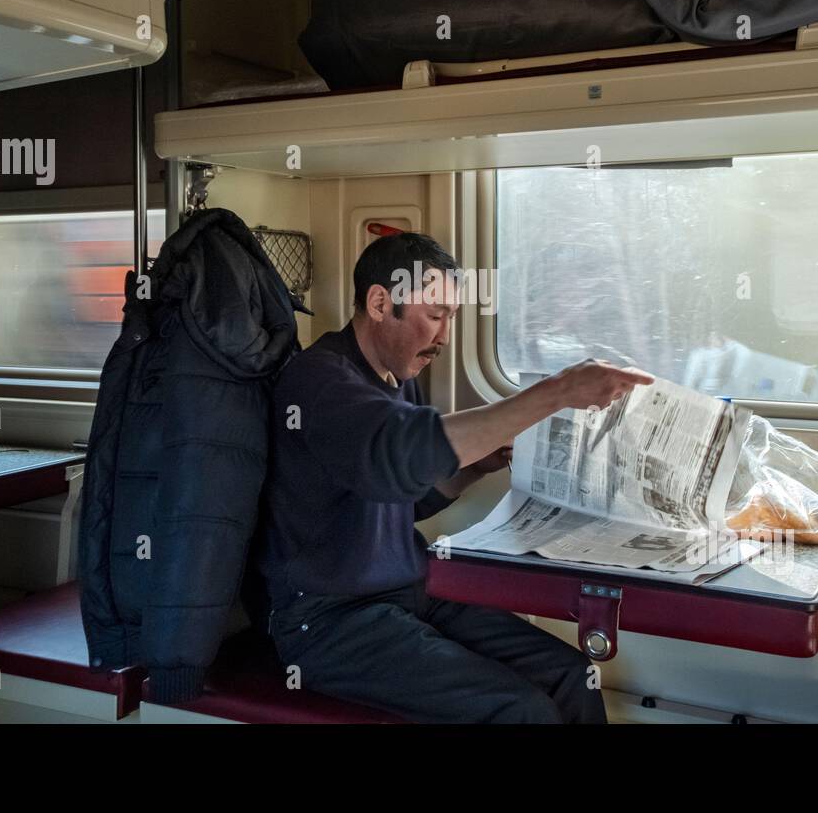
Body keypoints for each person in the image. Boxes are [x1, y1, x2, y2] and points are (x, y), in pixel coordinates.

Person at [255, 231, 653, 722]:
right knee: (521, 711)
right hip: (330, 619)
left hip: (408, 592)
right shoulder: (319, 380)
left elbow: (408, 496)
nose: (444, 337)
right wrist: (558, 391)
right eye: (435, 316)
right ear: (381, 303)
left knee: (575, 674)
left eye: (451, 319)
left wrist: (476, 468)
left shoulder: (399, 380)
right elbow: (397, 448)